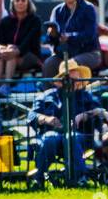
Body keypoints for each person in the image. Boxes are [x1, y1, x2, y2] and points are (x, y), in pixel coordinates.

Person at [29, 60, 103, 188]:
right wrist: (46, 119)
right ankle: (38, 178)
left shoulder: (87, 96)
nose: (74, 82)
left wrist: (84, 116)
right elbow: (32, 115)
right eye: (70, 78)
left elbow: (98, 113)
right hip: (53, 134)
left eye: (76, 78)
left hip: (81, 136)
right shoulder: (47, 95)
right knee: (49, 138)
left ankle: (80, 178)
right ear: (61, 80)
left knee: (72, 137)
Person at [42, 0, 102, 77]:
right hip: (64, 54)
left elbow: (90, 34)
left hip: (90, 53)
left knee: (70, 65)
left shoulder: (88, 8)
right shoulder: (57, 11)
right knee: (49, 64)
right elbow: (51, 41)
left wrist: (69, 37)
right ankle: (51, 92)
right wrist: (52, 35)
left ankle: (74, 92)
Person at [0, 0, 43, 81]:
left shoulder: (35, 21)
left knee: (12, 55)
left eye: (23, 0)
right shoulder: (5, 21)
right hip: (8, 55)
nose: (20, 3)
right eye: (17, 0)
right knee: (1, 55)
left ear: (28, 3)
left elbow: (29, 42)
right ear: (13, 3)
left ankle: (6, 85)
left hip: (30, 55)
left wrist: (15, 50)